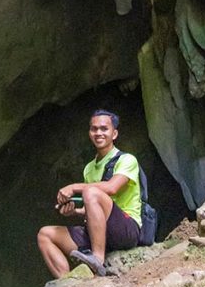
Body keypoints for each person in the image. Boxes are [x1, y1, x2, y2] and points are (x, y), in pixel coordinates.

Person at [36, 109, 144, 278]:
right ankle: (68, 282)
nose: (98, 133)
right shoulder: (89, 168)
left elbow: (112, 188)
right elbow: (93, 210)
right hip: (100, 235)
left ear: (114, 134)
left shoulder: (127, 160)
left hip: (126, 229)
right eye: (94, 129)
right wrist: (75, 211)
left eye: (104, 129)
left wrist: (74, 187)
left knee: (91, 191)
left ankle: (97, 260)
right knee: (45, 234)